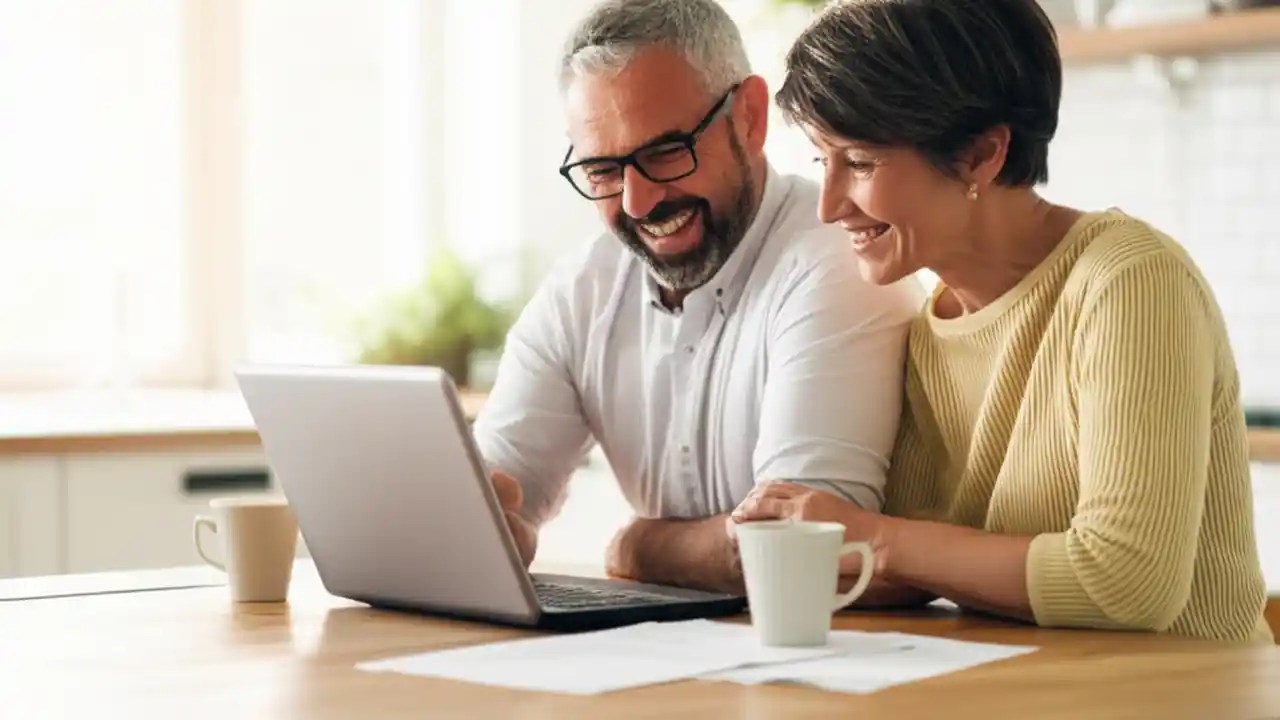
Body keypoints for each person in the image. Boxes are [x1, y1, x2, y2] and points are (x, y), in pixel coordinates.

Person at [731, 0, 1272, 643]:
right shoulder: (920, 326)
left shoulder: (1127, 281)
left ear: (982, 155)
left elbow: (1128, 582)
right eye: (824, 161)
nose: (828, 207)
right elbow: (917, 570)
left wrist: (876, 537)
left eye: (861, 162)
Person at [473, 0, 921, 594]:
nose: (637, 202)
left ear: (751, 118)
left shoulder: (835, 259)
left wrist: (641, 546)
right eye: (604, 170)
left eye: (664, 154)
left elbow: (806, 557)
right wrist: (490, 526)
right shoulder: (582, 289)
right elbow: (493, 495)